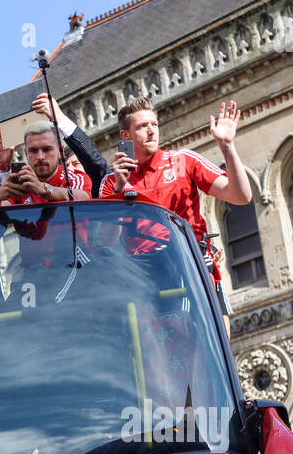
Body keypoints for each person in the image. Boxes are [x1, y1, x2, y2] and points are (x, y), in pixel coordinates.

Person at [99, 97, 253, 319]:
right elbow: (105, 240)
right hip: (145, 274)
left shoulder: (183, 160)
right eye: (143, 126)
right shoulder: (112, 182)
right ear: (126, 136)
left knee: (212, 337)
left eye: (154, 124)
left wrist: (227, 146)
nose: (152, 131)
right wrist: (119, 188)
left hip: (190, 260)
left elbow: (241, 196)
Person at [0, 120, 92, 208]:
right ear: (26, 153)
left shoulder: (75, 177)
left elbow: (82, 197)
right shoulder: (22, 184)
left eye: (47, 149)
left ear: (60, 152)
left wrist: (43, 188)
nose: (40, 157)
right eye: (33, 151)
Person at [29, 94, 112, 189]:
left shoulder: (104, 187)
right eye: (66, 166)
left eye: (76, 164)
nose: (69, 169)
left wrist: (59, 118)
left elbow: (92, 159)